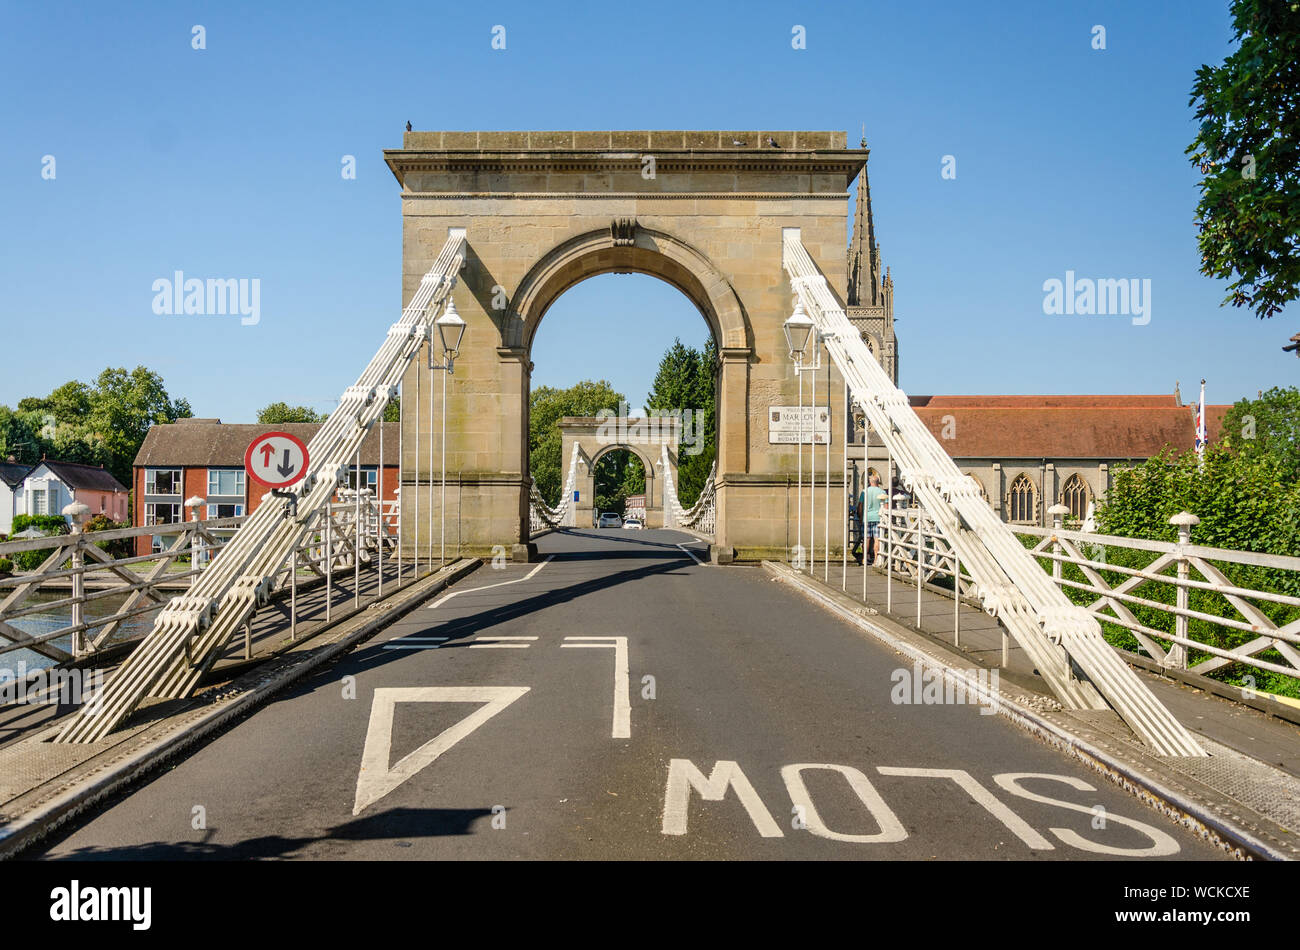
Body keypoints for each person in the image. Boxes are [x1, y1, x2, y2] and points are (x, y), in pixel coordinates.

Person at [856, 473, 888, 566]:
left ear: (869, 482)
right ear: (879, 482)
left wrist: (861, 517)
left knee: (866, 539)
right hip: (878, 518)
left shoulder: (864, 491)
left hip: (867, 517)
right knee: (877, 539)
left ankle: (864, 559)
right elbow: (886, 507)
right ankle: (876, 560)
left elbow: (860, 506)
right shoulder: (882, 492)